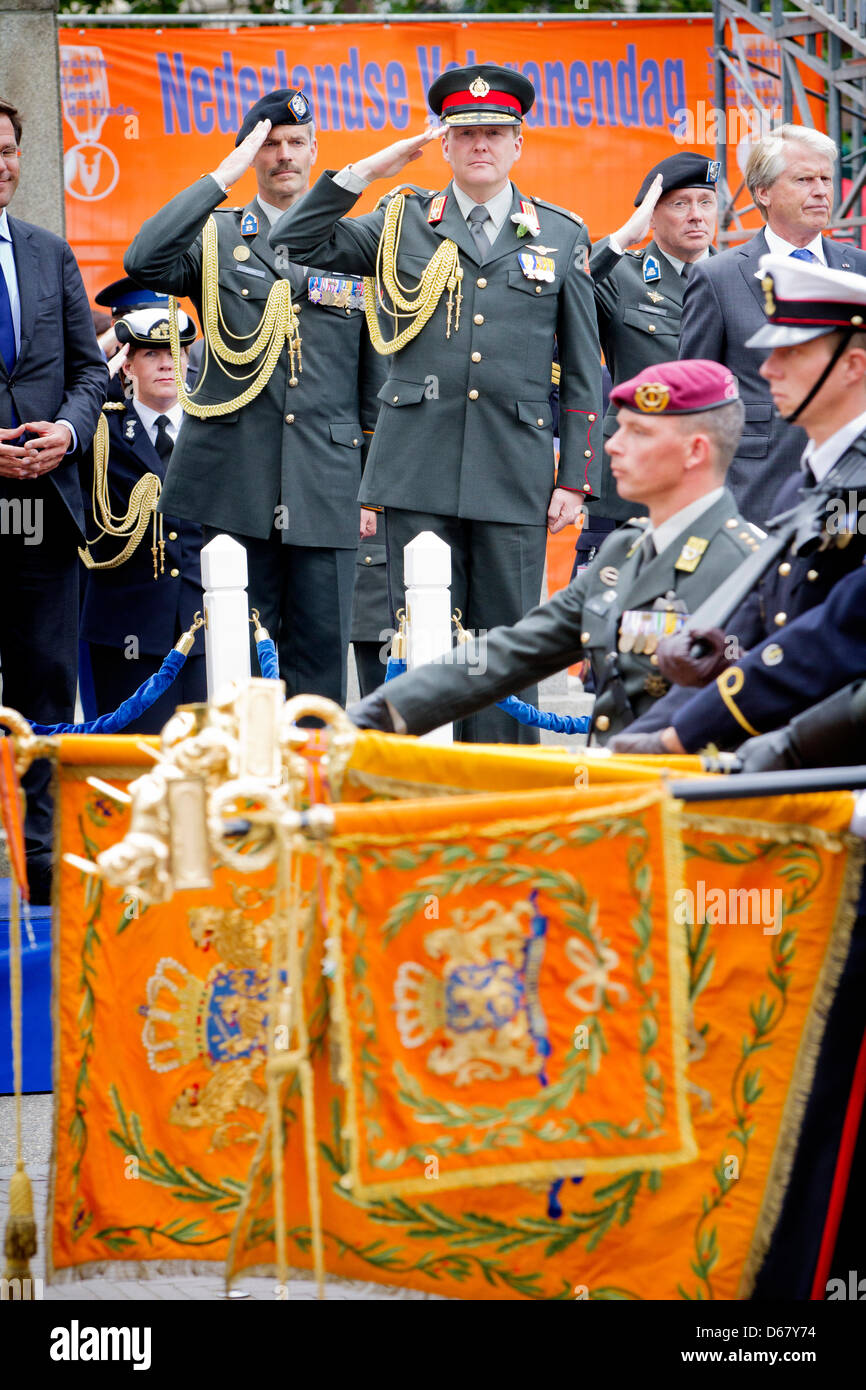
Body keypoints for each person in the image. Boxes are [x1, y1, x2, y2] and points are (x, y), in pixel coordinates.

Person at [269, 63, 603, 744]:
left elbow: (582, 367)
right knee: (421, 641)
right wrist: (371, 169)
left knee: (507, 646)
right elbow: (293, 240)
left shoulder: (562, 235)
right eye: (465, 132)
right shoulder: (400, 221)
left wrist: (575, 477)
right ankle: (423, 790)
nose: (481, 143)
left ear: (518, 144)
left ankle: (499, 793)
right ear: (443, 145)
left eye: (495, 132)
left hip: (514, 468)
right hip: (415, 467)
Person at [124, 88, 383, 707]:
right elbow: (143, 259)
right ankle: (245, 794)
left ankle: (312, 792)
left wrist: (372, 484)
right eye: (269, 144)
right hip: (236, 478)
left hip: (326, 479)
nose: (284, 155)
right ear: (250, 155)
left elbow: (376, 372)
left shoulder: (355, 244)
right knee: (242, 658)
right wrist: (222, 176)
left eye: (297, 143)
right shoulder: (216, 237)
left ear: (316, 151)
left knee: (320, 660)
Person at [348, 360, 762, 744]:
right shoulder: (624, 552)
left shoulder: (748, 567)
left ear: (695, 451)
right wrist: (366, 719)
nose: (612, 446)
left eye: (639, 432)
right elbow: (513, 653)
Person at [610, 255, 866, 757]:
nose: (767, 369)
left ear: (853, 366)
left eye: (791, 353)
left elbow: (833, 637)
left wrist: (677, 738)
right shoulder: (803, 490)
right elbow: (747, 635)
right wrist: (638, 744)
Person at [0, 96, 108, 902]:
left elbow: (91, 370)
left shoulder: (48, 254)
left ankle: (38, 863)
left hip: (47, 509)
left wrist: (66, 436)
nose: (2, 166)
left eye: (9, 151)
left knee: (44, 687)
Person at [679, 123, 866, 525]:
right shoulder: (718, 277)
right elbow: (696, 398)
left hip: (851, 486)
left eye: (825, 179)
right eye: (803, 179)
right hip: (755, 488)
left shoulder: (860, 268)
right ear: (762, 192)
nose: (821, 190)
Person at [78, 307, 207, 734]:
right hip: (127, 632)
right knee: (133, 767)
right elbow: (69, 393)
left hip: (205, 625)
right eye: (151, 354)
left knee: (211, 765)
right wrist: (102, 364)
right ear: (127, 363)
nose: (168, 363)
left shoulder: (216, 426)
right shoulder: (101, 428)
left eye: (177, 352)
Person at [584, 152, 718, 558]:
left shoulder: (743, 276)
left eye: (706, 202)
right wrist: (624, 238)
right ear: (652, 217)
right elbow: (561, 294)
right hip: (633, 483)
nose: (696, 215)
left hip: (714, 474)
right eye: (680, 204)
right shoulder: (622, 274)